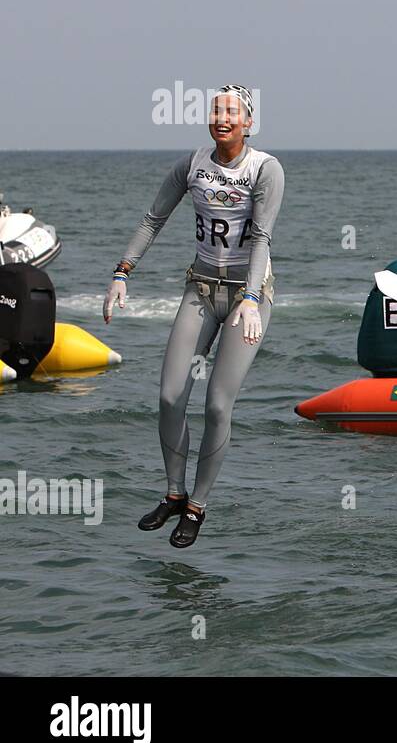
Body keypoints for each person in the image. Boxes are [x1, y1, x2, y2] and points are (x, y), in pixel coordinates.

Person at [103, 85, 284, 549]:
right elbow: (152, 218)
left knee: (218, 405)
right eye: (216, 110)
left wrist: (248, 297)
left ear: (248, 122)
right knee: (168, 397)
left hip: (250, 298)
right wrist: (123, 272)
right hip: (200, 289)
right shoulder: (193, 163)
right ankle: (173, 493)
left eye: (233, 112)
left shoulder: (265, 169)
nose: (222, 117)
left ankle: (198, 506)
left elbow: (261, 237)